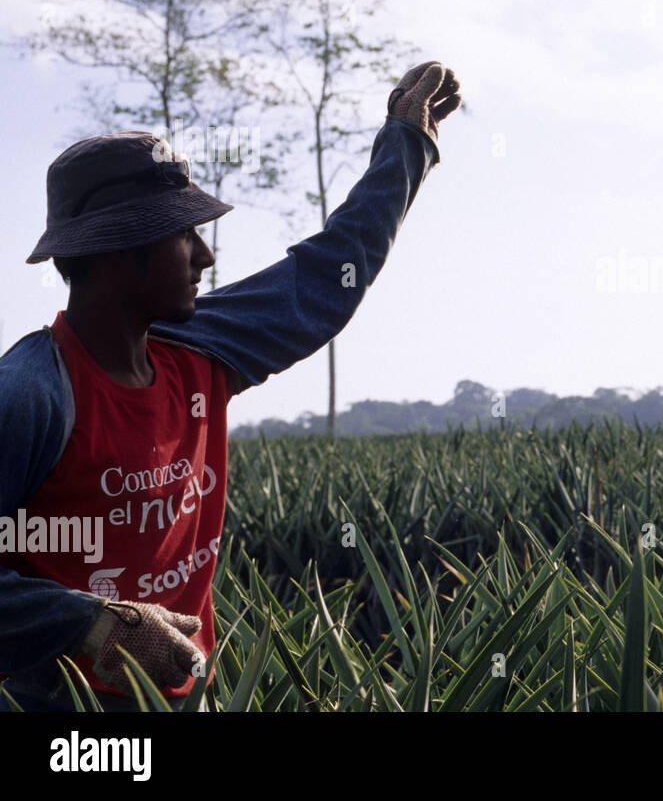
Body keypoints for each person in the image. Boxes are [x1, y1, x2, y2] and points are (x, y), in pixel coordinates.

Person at [0, 61, 460, 711]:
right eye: (183, 234)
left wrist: (406, 146)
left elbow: (330, 273)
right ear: (116, 252)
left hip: (188, 695)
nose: (205, 256)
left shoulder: (205, 351)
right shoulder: (31, 396)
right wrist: (97, 624)